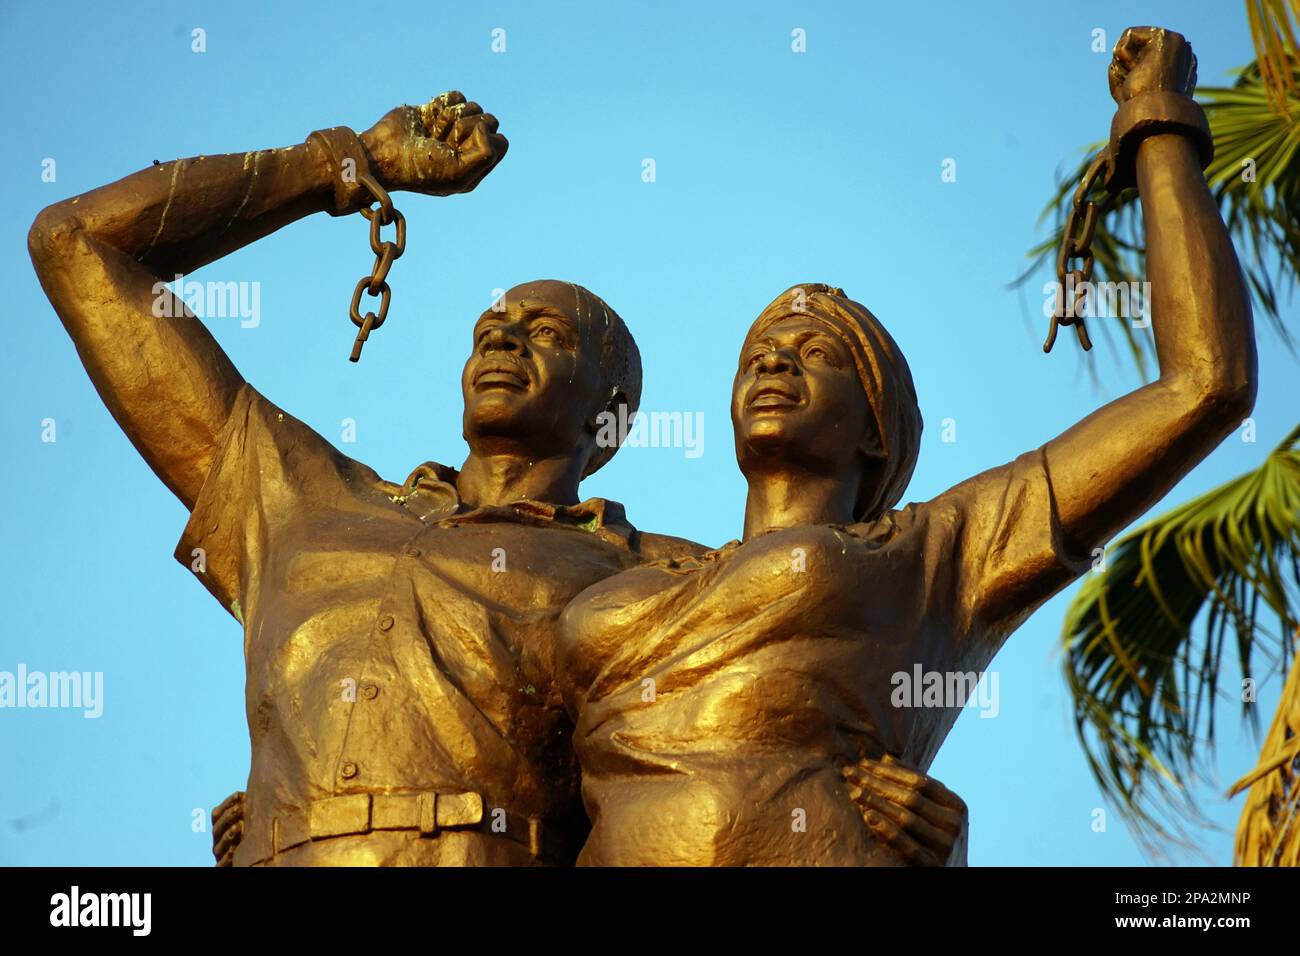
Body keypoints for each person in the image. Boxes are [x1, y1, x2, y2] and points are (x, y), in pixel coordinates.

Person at [29, 92, 963, 866]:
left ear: (615, 410)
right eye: (490, 332)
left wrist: (918, 835)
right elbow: (76, 244)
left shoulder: (666, 587)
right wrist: (347, 164)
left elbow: (783, 742)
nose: (505, 340)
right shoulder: (297, 497)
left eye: (547, 335)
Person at [556, 27, 1256, 866]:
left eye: (816, 353)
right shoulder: (634, 560)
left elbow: (1205, 385)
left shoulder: (928, 554)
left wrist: (1159, 121)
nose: (775, 360)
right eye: (757, 355)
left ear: (877, 426)